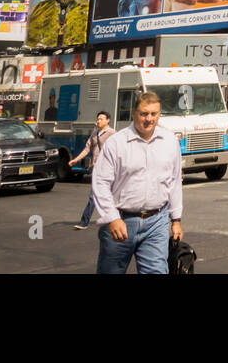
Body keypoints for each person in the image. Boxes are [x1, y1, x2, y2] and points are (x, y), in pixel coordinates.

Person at [91, 91, 183, 274]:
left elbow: (174, 181)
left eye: (154, 114)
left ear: (159, 114)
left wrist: (176, 219)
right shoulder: (117, 143)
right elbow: (100, 183)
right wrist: (112, 217)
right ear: (134, 113)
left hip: (156, 222)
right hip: (121, 223)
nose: (149, 119)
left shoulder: (170, 141)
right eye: (144, 114)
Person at [70, 111, 116, 230]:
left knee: (103, 195)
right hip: (96, 169)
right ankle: (86, 222)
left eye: (101, 119)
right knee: (94, 195)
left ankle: (86, 222)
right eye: (97, 119)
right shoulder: (94, 133)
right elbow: (87, 149)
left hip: (108, 169)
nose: (98, 121)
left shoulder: (112, 133)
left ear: (108, 120)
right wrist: (75, 159)